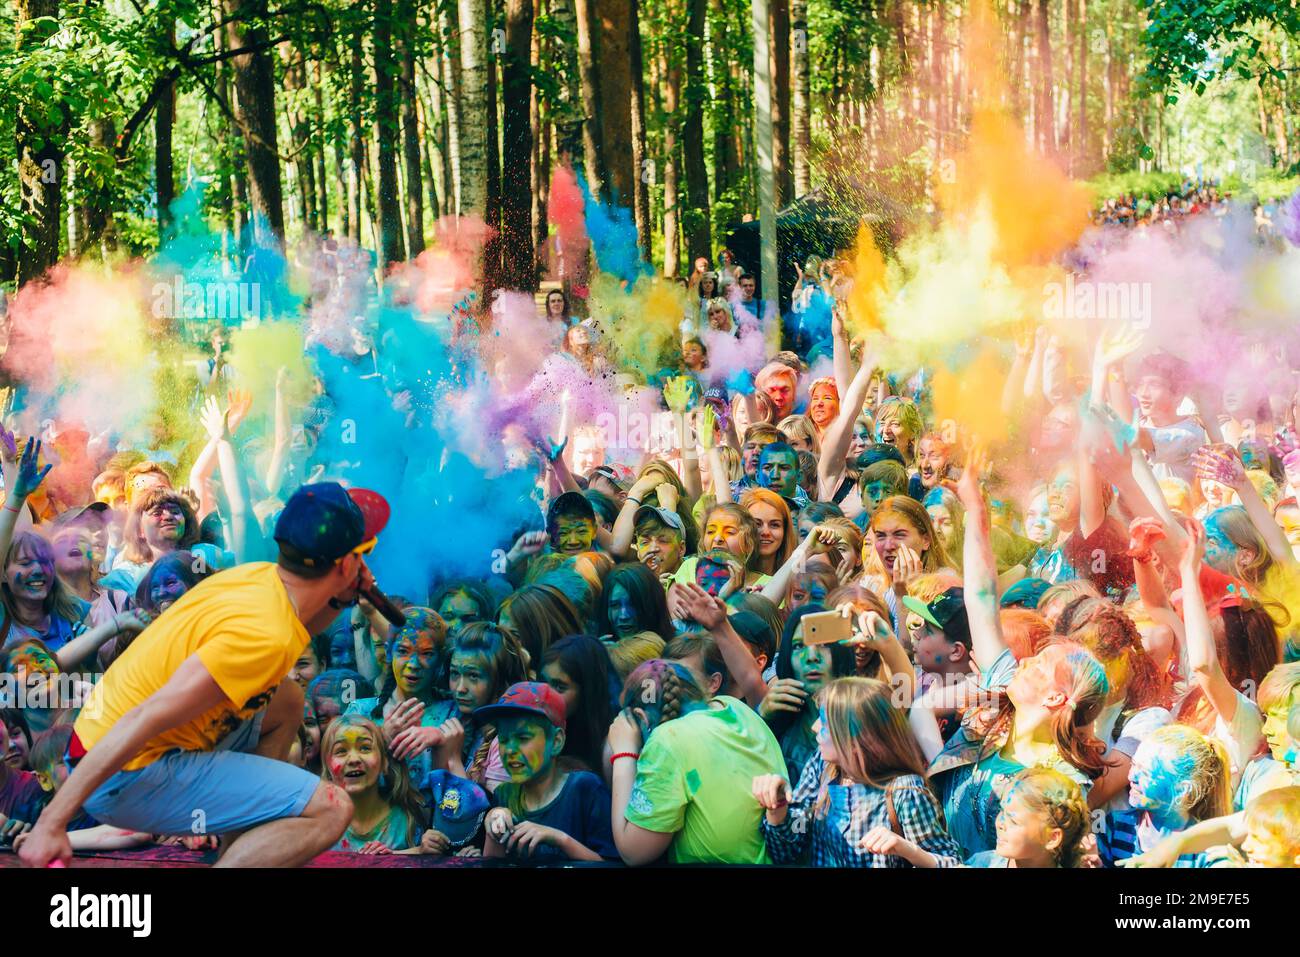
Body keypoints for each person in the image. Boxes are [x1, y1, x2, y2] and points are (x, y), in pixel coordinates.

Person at [17, 481, 391, 868]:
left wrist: (345, 594)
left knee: (287, 701)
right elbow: (145, 716)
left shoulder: (262, 579)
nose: (368, 568)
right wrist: (52, 822)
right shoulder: (265, 635)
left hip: (107, 744)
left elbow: (305, 624)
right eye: (365, 554)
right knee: (331, 808)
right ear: (347, 566)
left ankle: (235, 854)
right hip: (118, 772)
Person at [754, 676, 962, 868]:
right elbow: (789, 847)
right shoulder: (822, 767)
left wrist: (907, 849)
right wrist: (778, 809)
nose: (815, 728)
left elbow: (951, 862)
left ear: (858, 742)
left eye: (826, 724)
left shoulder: (904, 791)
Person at [607, 659, 786, 864]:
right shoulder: (734, 706)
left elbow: (633, 853)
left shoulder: (667, 740)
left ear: (642, 718)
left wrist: (624, 754)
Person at [479, 682, 617, 861]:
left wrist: (559, 839)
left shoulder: (585, 789)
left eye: (523, 737)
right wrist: (494, 825)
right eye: (504, 739)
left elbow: (612, 862)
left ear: (557, 741)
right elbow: (493, 863)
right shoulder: (504, 795)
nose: (510, 750)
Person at [321, 714, 429, 854]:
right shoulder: (318, 825)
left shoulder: (407, 821)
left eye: (365, 748)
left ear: (384, 763)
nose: (354, 759)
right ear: (328, 769)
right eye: (341, 751)